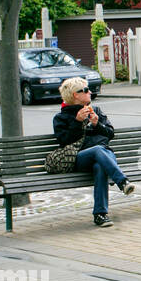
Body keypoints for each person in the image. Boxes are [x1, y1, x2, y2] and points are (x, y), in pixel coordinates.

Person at [54, 77, 135, 227]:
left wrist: (97, 124)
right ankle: (122, 181)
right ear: (75, 95)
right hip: (80, 158)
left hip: (104, 155)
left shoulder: (96, 110)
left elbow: (110, 134)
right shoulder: (62, 118)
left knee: (100, 166)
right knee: (98, 150)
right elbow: (64, 141)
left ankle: (100, 214)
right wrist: (77, 122)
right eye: (85, 90)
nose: (90, 92)